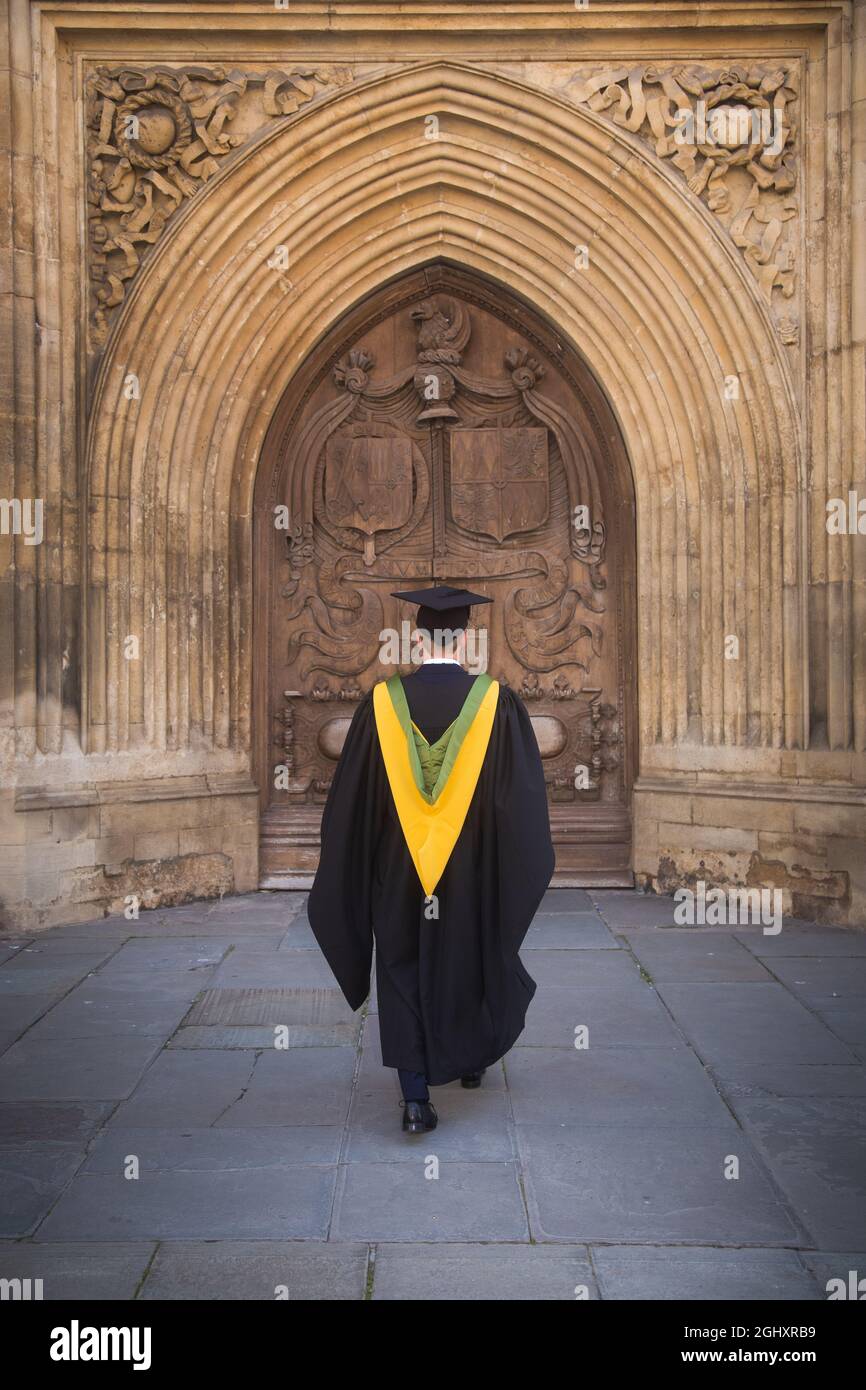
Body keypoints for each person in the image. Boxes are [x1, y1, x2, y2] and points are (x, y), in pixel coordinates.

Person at [306, 585, 555, 1134]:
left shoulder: (379, 706)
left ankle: (415, 1099)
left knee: (399, 962)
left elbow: (353, 801)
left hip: (397, 869)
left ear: (416, 638)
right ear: (465, 637)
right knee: (466, 952)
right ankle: (468, 1059)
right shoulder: (497, 703)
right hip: (468, 870)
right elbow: (517, 807)